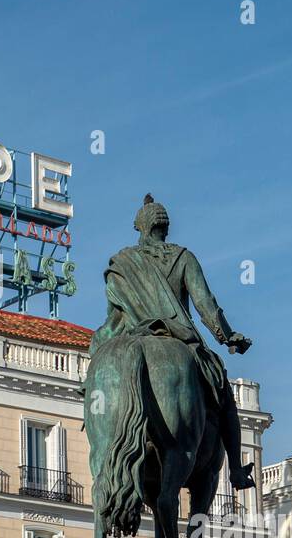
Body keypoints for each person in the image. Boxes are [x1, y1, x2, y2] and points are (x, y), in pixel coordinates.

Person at [89, 194, 256, 490]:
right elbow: (206, 304)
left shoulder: (123, 263)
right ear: (164, 228)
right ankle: (236, 470)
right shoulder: (183, 258)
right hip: (180, 339)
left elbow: (114, 320)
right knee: (224, 394)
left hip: (132, 336)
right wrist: (227, 337)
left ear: (139, 228)